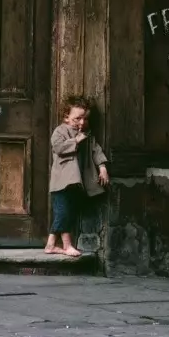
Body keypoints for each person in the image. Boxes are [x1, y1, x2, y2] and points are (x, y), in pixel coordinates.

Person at [46, 95, 110, 257]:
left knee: (67, 212)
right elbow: (58, 148)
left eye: (84, 118)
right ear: (66, 117)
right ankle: (66, 246)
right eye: (77, 119)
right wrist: (76, 140)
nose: (81, 123)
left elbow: (96, 150)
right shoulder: (60, 131)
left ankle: (51, 245)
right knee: (63, 213)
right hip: (62, 182)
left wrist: (102, 167)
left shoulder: (87, 133)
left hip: (76, 182)